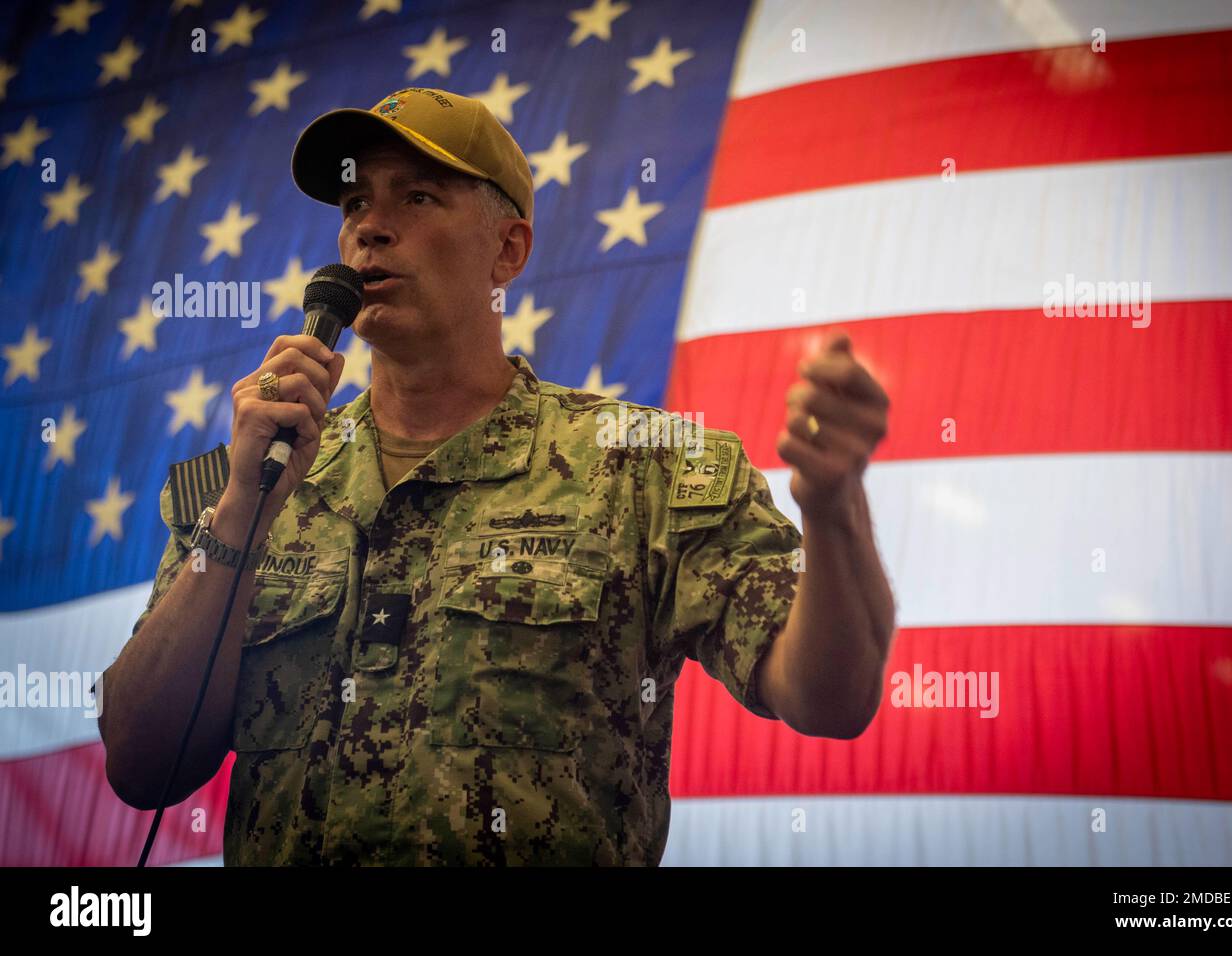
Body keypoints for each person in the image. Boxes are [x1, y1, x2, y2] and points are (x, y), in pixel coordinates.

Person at [97, 88, 897, 865]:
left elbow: (828, 698)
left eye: (417, 198)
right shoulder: (243, 481)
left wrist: (833, 510)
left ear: (507, 251)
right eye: (354, 206)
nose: (371, 229)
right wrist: (242, 509)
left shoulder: (646, 466)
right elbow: (142, 767)